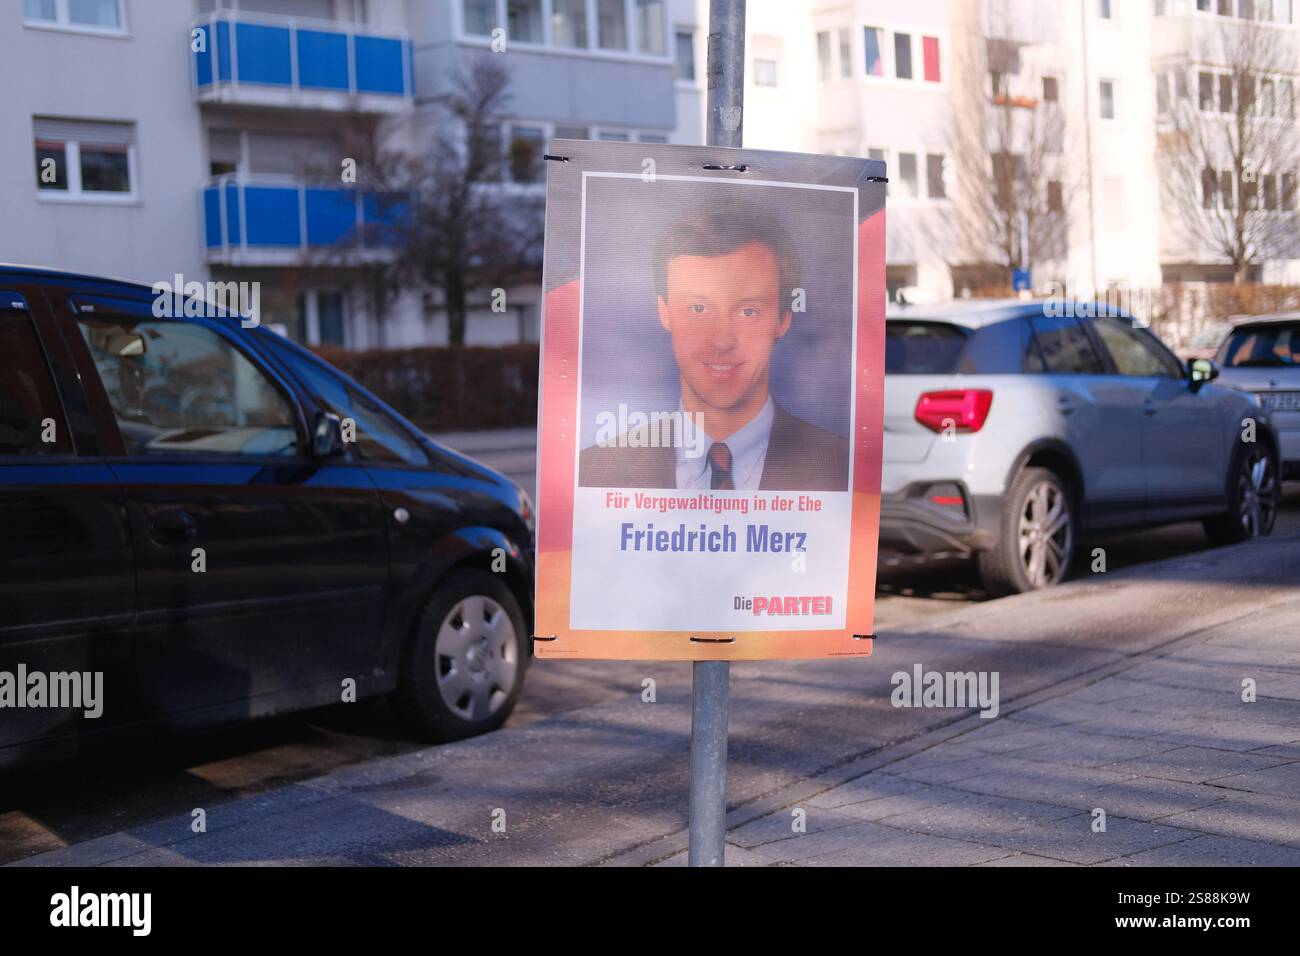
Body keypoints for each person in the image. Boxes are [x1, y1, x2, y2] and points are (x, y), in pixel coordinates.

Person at [579, 204, 849, 491]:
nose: (722, 341)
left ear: (783, 319)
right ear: (664, 311)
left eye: (748, 311)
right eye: (698, 308)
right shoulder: (592, 471)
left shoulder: (842, 469)